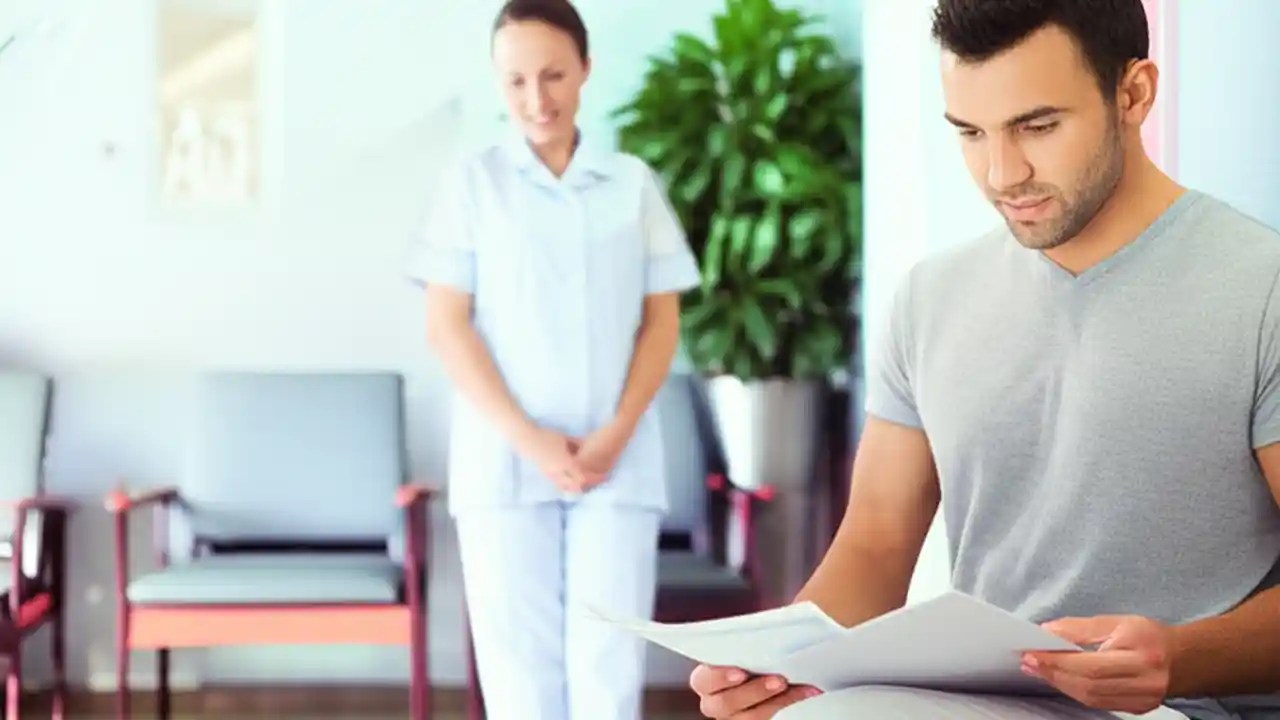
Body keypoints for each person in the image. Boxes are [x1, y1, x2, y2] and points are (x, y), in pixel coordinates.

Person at [691, 0, 1280, 718]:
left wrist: (1181, 658)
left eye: (1038, 126)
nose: (1002, 173)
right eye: (971, 133)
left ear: (1134, 94)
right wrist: (775, 671)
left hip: (1185, 709)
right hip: (984, 702)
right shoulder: (930, 299)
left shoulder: (1262, 288)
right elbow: (875, 544)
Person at [405, 1, 700, 718]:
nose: (537, 99)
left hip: (615, 458)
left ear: (586, 71)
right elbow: (448, 325)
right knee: (518, 678)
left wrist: (615, 433)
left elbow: (661, 321)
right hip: (505, 459)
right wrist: (531, 439)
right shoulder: (471, 183)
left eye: (554, 75)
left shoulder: (632, 183)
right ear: (497, 83)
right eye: (516, 82)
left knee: (608, 673)